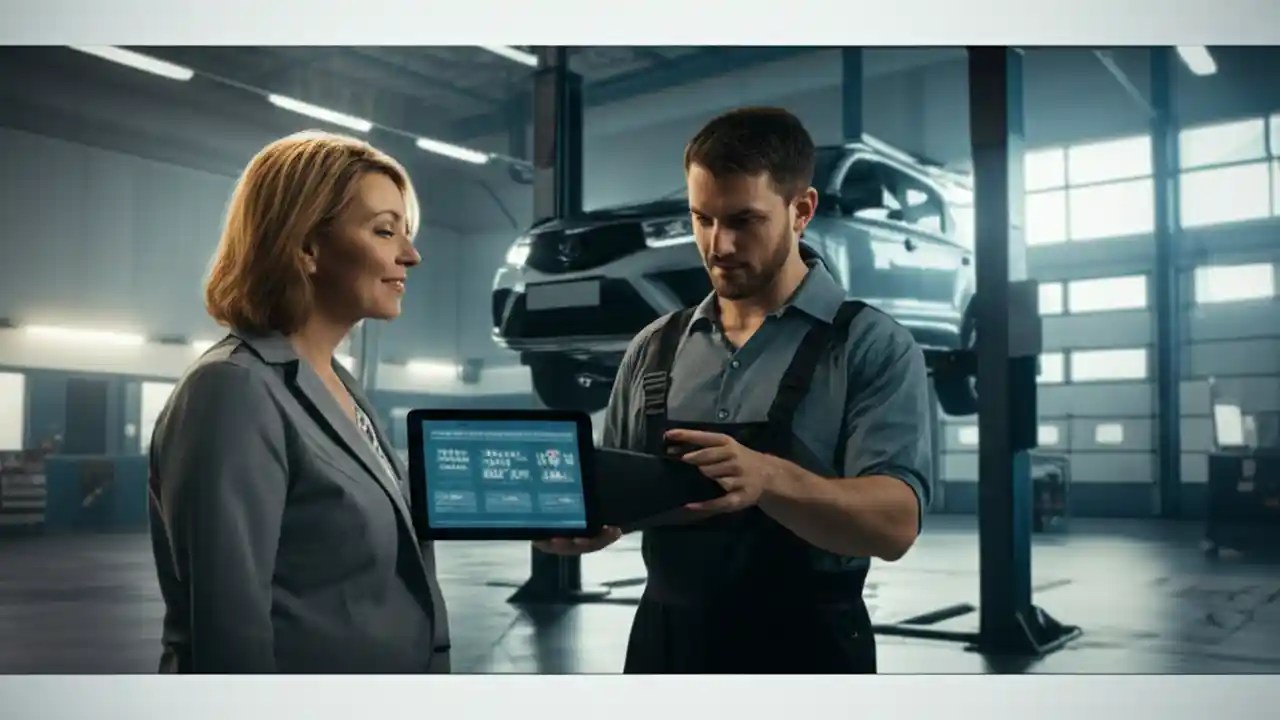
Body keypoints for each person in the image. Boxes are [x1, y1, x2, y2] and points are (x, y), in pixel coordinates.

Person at [535, 107, 933, 673]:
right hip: (665, 651)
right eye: (702, 218)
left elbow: (895, 526)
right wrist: (587, 522)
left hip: (808, 659)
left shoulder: (870, 346)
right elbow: (617, 494)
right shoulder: (653, 348)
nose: (717, 245)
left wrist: (768, 478)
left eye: (744, 220)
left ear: (802, 211)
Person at [147, 130, 450, 673]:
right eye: (385, 231)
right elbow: (228, 635)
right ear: (307, 246)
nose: (411, 255)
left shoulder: (338, 384)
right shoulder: (233, 390)